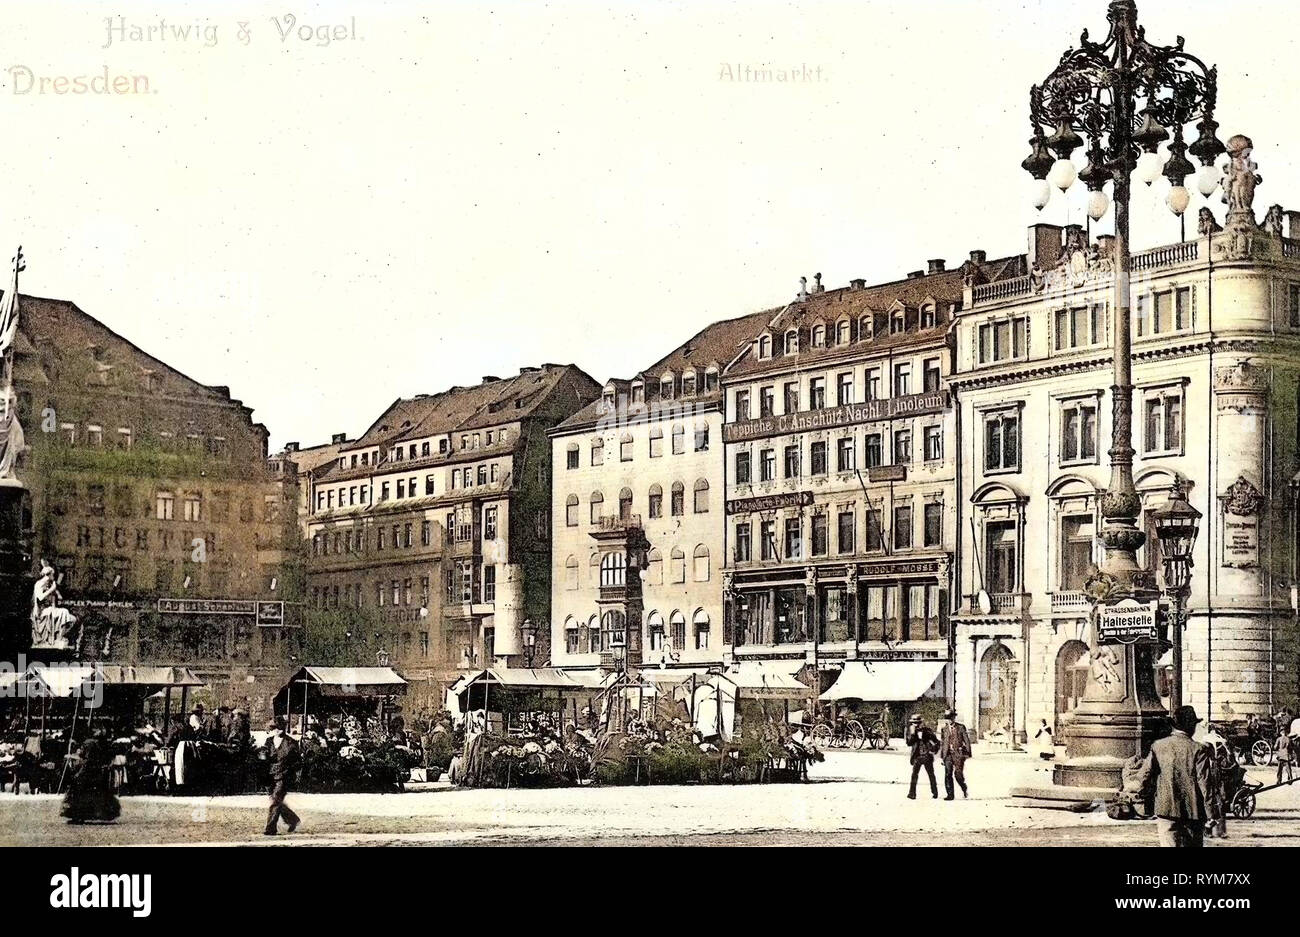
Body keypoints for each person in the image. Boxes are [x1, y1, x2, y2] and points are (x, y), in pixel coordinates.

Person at [1140, 705, 1211, 848]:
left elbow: (1145, 776)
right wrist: (1212, 813)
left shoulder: (1158, 746)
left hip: (1166, 810)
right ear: (1191, 726)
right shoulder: (1199, 749)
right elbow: (1205, 783)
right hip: (1194, 813)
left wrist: (1143, 800)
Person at [60, 732, 121, 824]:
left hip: (88, 772)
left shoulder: (89, 743)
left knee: (80, 792)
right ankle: (101, 814)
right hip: (98, 772)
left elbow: (87, 761)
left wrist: (79, 773)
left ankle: (79, 815)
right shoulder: (100, 745)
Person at [262, 718, 301, 836]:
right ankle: (293, 819)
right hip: (270, 776)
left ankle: (270, 828)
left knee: (275, 800)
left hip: (284, 775)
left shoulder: (292, 742)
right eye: (275, 728)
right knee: (277, 801)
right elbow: (265, 757)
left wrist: (293, 774)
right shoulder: (268, 741)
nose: (278, 730)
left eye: (280, 727)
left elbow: (298, 761)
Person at [938, 708, 972, 800]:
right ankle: (950, 795)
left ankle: (964, 787)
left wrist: (968, 753)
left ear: (954, 718)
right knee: (948, 774)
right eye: (947, 718)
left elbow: (967, 741)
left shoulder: (961, 727)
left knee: (958, 774)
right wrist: (942, 756)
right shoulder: (944, 729)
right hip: (948, 754)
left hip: (958, 754)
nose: (949, 720)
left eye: (951, 718)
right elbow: (943, 743)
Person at [905, 714, 939, 800]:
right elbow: (909, 743)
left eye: (917, 723)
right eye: (914, 723)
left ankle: (935, 792)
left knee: (931, 775)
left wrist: (933, 751)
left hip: (927, 756)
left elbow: (937, 742)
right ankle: (912, 793)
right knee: (914, 775)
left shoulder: (927, 731)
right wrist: (913, 734)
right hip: (917, 756)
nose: (916, 725)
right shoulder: (909, 731)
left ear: (921, 723)